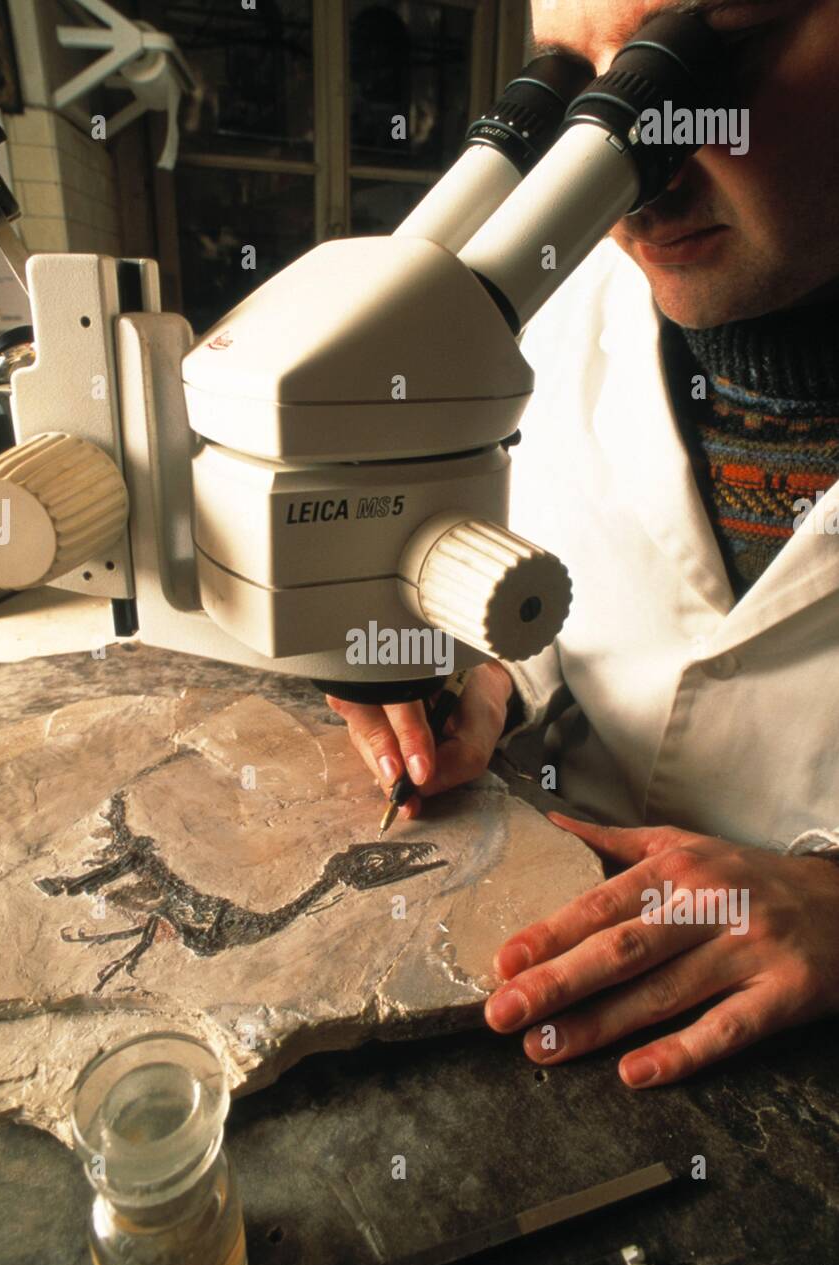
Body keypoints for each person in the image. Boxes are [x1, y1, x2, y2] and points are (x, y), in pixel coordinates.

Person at [326, 0, 839, 1088]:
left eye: (704, 59)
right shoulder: (546, 324)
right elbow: (556, 617)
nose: (633, 172)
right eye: (581, 86)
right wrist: (472, 676)